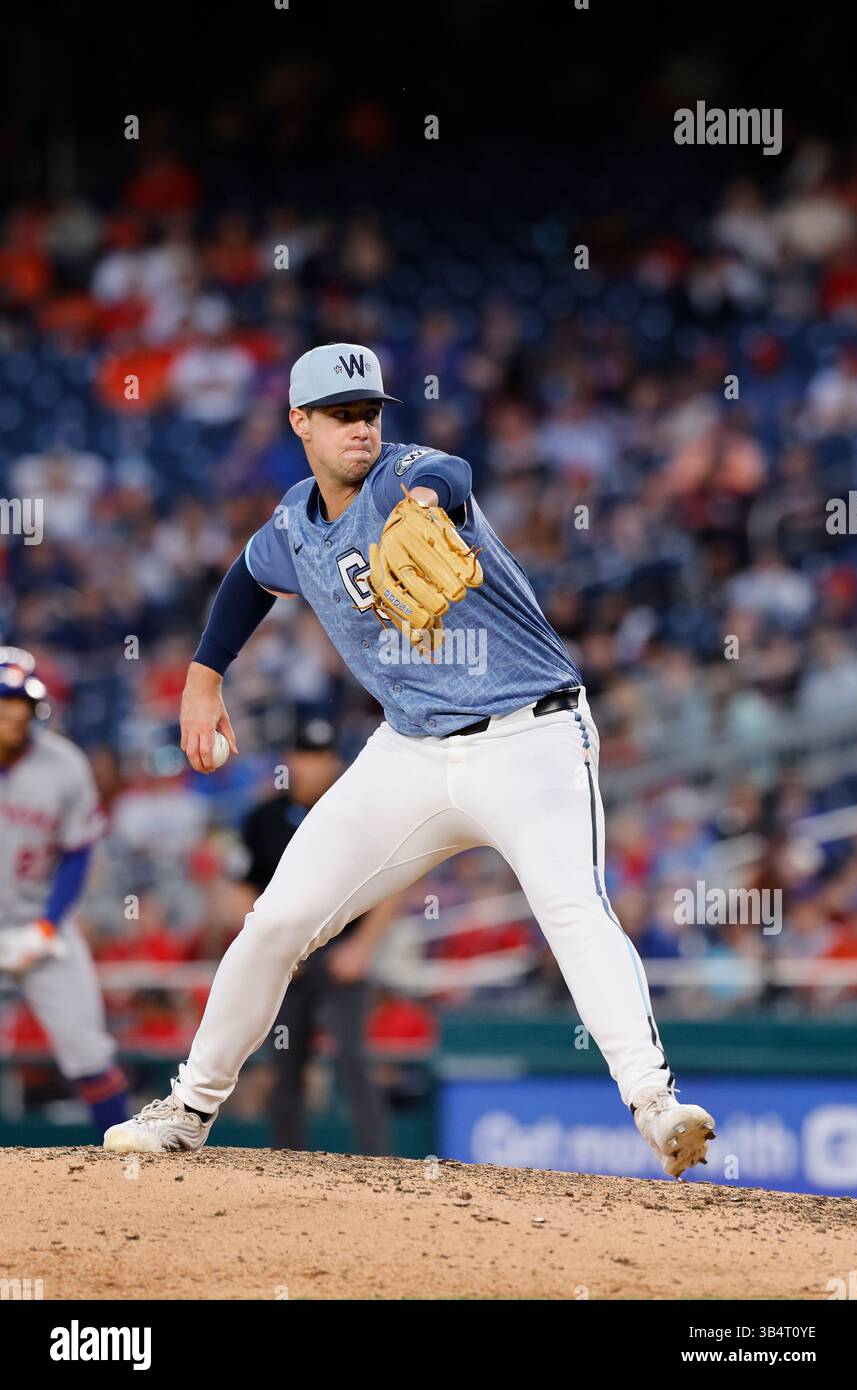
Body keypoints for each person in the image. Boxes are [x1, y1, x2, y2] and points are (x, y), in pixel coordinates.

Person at [105, 342, 715, 1178]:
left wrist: (423, 500)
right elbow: (248, 578)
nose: (361, 428)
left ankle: (655, 1105)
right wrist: (204, 677)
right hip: (410, 752)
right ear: (301, 424)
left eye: (370, 412)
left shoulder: (406, 475)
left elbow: (453, 473)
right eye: (341, 415)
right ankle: (189, 1108)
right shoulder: (294, 523)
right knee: (278, 920)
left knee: (571, 905)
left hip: (528, 736)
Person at [241, 716, 394, 1154]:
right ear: (289, 760)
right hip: (290, 956)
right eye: (305, 756)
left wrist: (364, 947)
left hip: (343, 951)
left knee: (353, 1059)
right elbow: (243, 889)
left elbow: (396, 881)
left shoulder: (356, 811)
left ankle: (380, 1165)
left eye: (323, 757)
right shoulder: (264, 818)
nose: (313, 766)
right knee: (287, 1063)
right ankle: (288, 1166)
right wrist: (271, 950)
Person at [0, 647, 130, 1136]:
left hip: (41, 926)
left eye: (21, 704)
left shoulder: (64, 764)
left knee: (88, 1052)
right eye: (5, 703)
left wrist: (48, 924)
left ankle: (132, 1173)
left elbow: (77, 854)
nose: (14, 715)